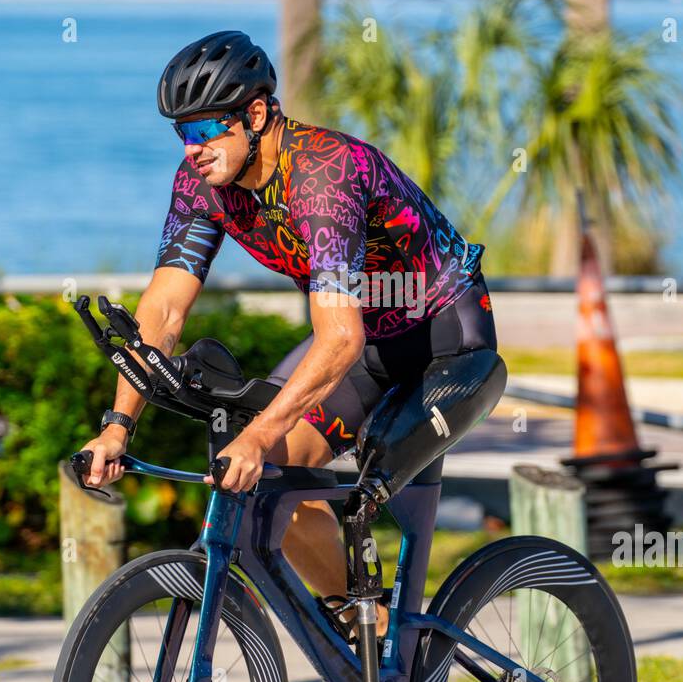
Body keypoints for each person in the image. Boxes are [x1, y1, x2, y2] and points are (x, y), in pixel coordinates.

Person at [77, 31, 501, 639]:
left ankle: (408, 652)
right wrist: (118, 424)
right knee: (274, 482)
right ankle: (372, 636)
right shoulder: (202, 184)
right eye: (181, 133)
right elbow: (164, 310)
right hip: (364, 339)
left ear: (256, 114)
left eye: (204, 130)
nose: (192, 148)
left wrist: (258, 432)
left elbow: (337, 341)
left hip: (443, 337)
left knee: (325, 473)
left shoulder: (324, 176)